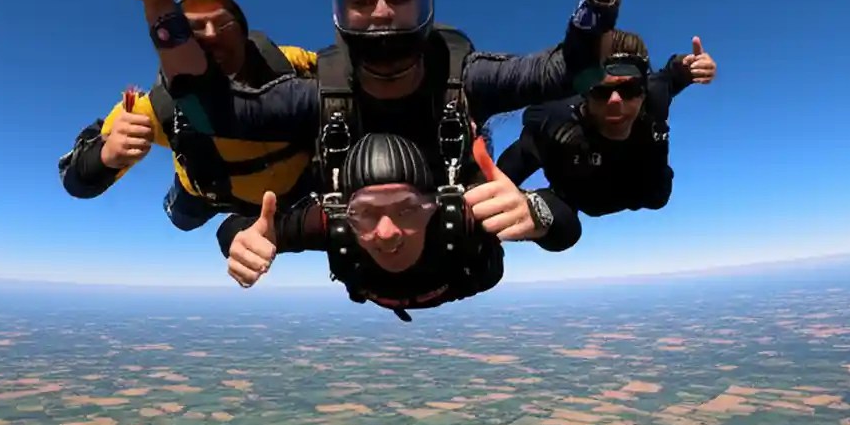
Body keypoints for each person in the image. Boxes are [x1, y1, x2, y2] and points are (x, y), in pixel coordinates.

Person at [114, 0, 631, 289]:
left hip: (460, 255)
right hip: (384, 262)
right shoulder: (322, 98)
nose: (381, 11)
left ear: (424, 3)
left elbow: (576, 74)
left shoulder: (465, 81)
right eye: (362, 0)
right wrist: (159, 6)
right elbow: (210, 112)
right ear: (341, 12)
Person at [217, 133, 581, 321]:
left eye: (407, 209)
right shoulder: (334, 223)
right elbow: (241, 227)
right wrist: (241, 240)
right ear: (347, 211)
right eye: (367, 213)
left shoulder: (459, 215)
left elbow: (565, 225)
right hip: (429, 286)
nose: (387, 231)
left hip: (464, 278)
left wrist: (535, 211)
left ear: (433, 204)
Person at [57, 0, 319, 230]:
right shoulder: (158, 107)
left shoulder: (287, 64)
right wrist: (106, 156)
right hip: (209, 193)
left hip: (294, 188)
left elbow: (349, 71)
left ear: (244, 34)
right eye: (193, 28)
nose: (211, 34)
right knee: (182, 220)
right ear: (178, 43)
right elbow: (74, 178)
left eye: (223, 24)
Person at [496, 29, 718, 221]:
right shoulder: (557, 123)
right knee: (562, 219)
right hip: (585, 193)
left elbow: (673, 74)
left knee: (658, 194)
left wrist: (692, 66)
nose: (615, 101)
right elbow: (512, 164)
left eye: (629, 90)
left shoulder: (654, 95)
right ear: (585, 95)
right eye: (601, 91)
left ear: (643, 91)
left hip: (643, 186)